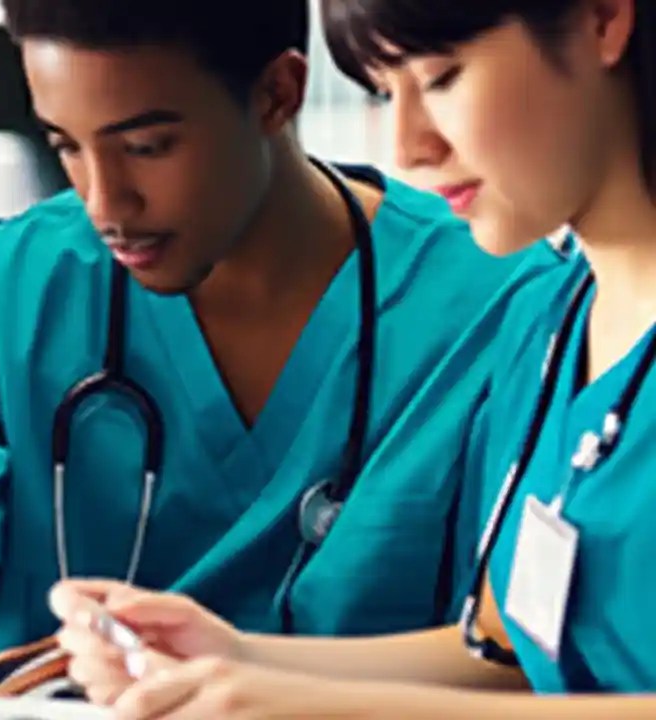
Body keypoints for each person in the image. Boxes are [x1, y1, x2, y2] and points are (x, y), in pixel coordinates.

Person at [0, 0, 569, 715]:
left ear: (277, 94)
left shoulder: (504, 303)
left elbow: (517, 658)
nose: (105, 202)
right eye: (66, 145)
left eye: (148, 146)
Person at [44, 0, 656, 716]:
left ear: (602, 19)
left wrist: (334, 712)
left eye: (442, 78)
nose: (408, 148)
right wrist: (232, 659)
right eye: (386, 92)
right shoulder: (545, 324)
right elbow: (506, 657)